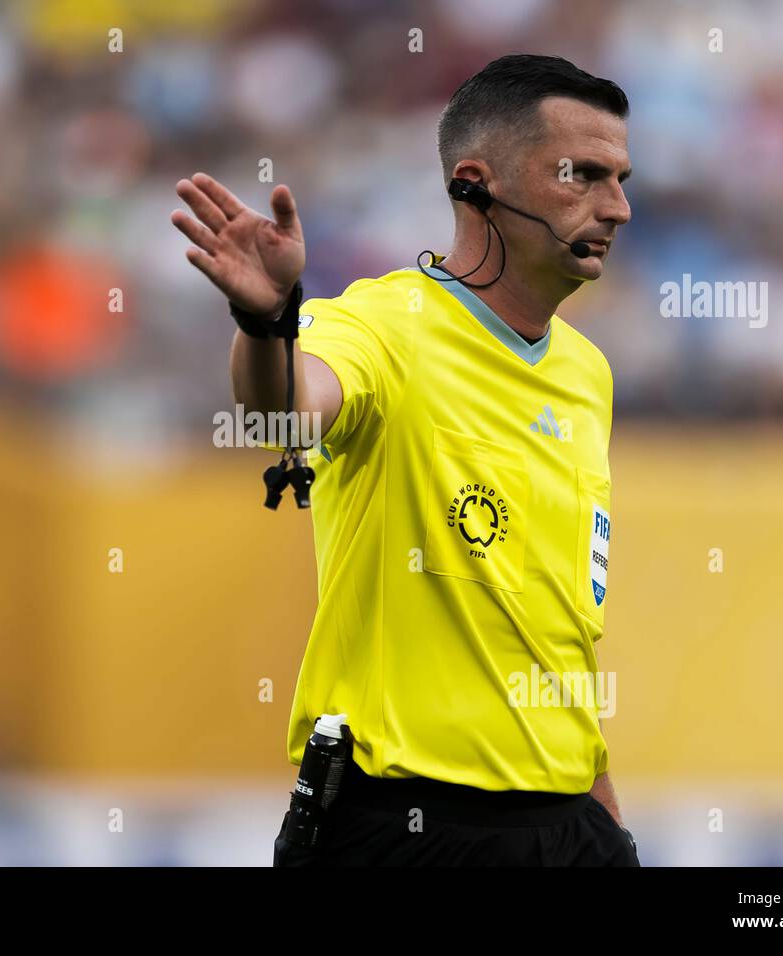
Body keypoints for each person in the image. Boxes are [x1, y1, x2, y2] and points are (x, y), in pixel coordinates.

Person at [172, 54, 638, 865]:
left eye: (621, 178)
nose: (618, 208)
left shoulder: (585, 372)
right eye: (584, 175)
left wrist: (601, 809)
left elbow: (554, 624)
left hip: (569, 826)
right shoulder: (384, 325)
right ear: (476, 183)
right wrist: (266, 322)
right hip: (405, 828)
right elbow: (281, 410)